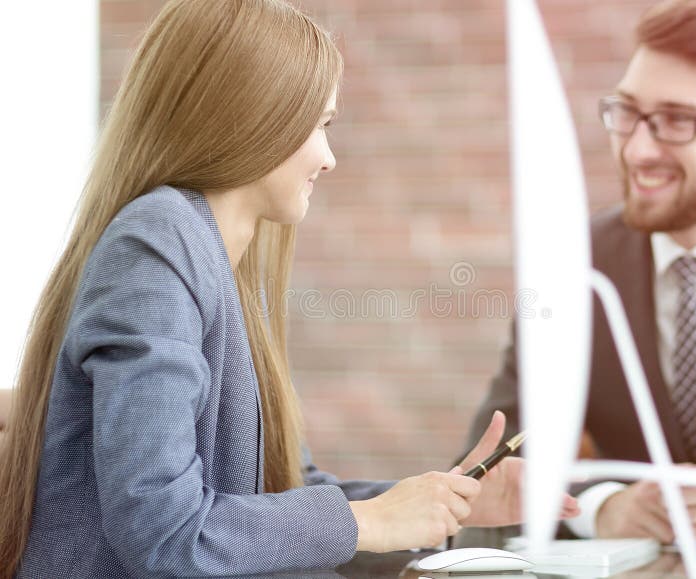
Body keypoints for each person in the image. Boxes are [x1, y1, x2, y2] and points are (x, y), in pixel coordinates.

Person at [0, 1, 579, 577]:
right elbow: (167, 534)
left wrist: (445, 506)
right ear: (257, 116)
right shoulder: (157, 244)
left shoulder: (223, 268)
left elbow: (280, 498)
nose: (328, 159)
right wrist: (370, 520)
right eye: (321, 125)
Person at [460, 0, 696, 551]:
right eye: (627, 112)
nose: (638, 150)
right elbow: (485, 466)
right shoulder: (573, 263)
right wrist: (599, 507)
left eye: (678, 121)